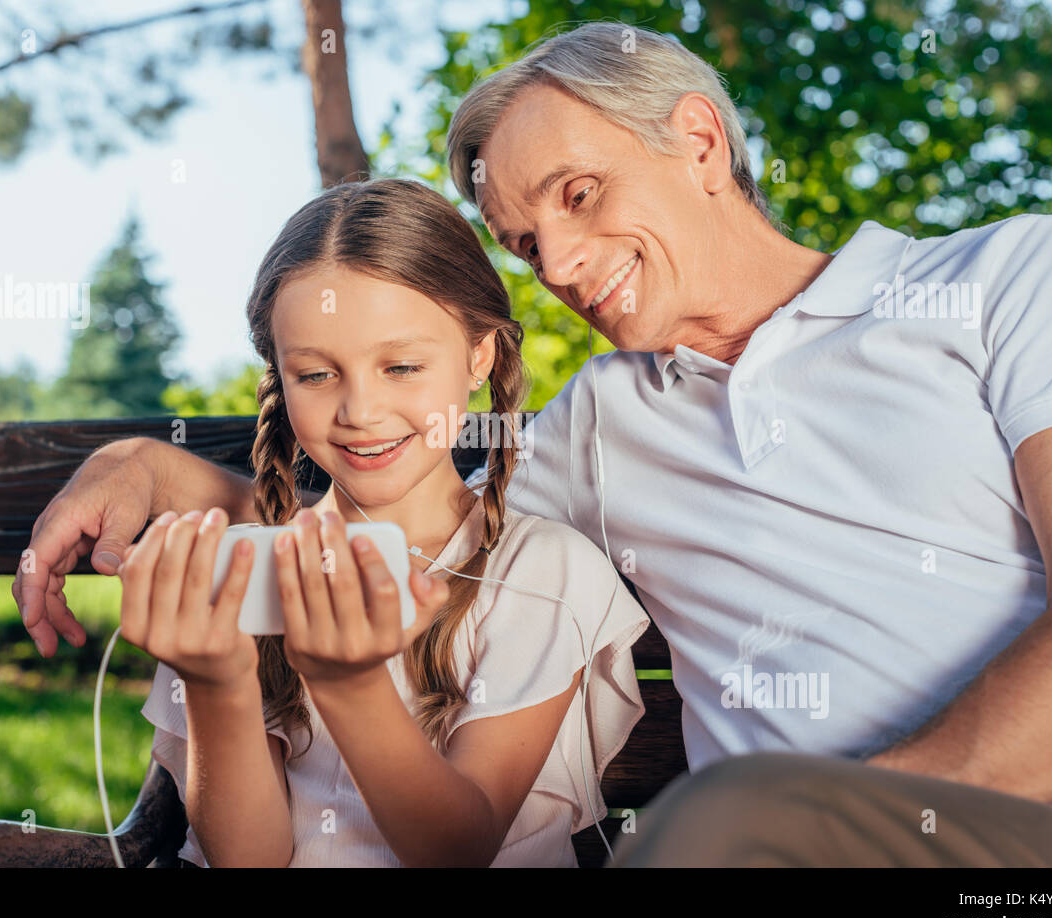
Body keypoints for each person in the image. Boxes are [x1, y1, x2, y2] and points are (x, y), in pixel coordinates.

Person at [16, 23, 1052, 866]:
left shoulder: (1002, 278)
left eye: (581, 195)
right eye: (523, 241)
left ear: (699, 141)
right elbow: (393, 514)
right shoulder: (604, 420)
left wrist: (840, 822)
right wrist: (148, 469)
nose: (556, 263)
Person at [106, 178, 650, 867]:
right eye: (315, 375)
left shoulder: (542, 572)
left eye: (401, 366)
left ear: (479, 356)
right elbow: (248, 859)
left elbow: (458, 849)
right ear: (279, 376)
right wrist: (214, 682)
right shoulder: (248, 571)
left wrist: (350, 685)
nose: (360, 411)